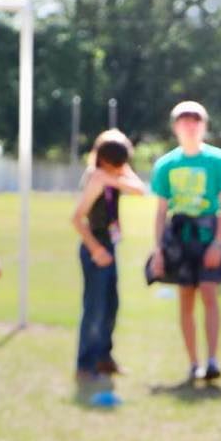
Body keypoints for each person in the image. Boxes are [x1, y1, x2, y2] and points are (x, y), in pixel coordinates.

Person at [147, 100, 221, 382]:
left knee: (209, 293)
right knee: (185, 297)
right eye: (184, 120)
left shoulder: (218, 160)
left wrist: (218, 243)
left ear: (204, 125)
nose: (190, 125)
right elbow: (161, 210)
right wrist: (159, 250)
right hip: (180, 235)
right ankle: (192, 362)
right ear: (175, 126)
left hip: (207, 232)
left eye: (195, 120)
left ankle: (212, 360)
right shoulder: (166, 164)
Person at [70, 129, 146, 404]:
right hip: (96, 246)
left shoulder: (113, 175)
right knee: (94, 308)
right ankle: (85, 365)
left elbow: (139, 189)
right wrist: (96, 249)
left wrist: (120, 171)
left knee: (111, 304)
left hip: (109, 246)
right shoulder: (97, 177)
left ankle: (104, 357)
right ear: (103, 160)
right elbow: (77, 219)